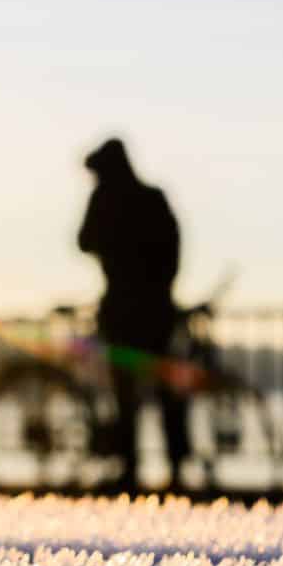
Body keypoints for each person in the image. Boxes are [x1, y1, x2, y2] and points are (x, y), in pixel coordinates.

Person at [77, 137, 191, 491]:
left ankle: (130, 469)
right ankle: (175, 469)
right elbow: (174, 249)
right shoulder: (153, 198)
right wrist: (162, 287)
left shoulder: (105, 198)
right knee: (163, 391)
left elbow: (84, 241)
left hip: (121, 311)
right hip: (157, 310)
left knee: (125, 395)